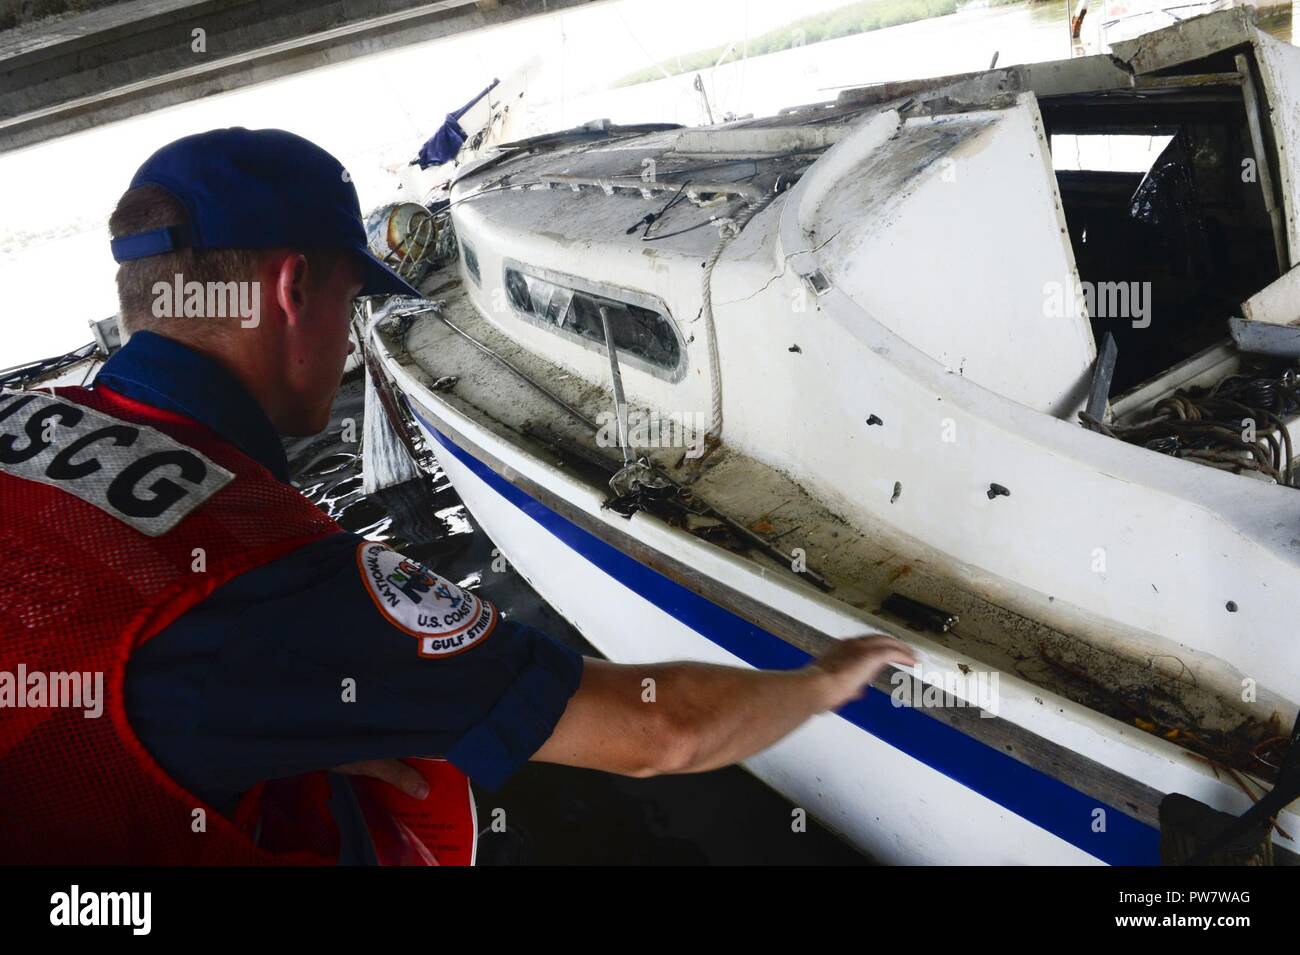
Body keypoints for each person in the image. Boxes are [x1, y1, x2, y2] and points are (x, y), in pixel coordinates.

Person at [0, 127, 914, 864]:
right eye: (353, 300)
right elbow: (661, 731)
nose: (352, 335)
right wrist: (824, 680)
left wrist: (276, 712)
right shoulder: (267, 567)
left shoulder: (18, 421)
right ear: (293, 287)